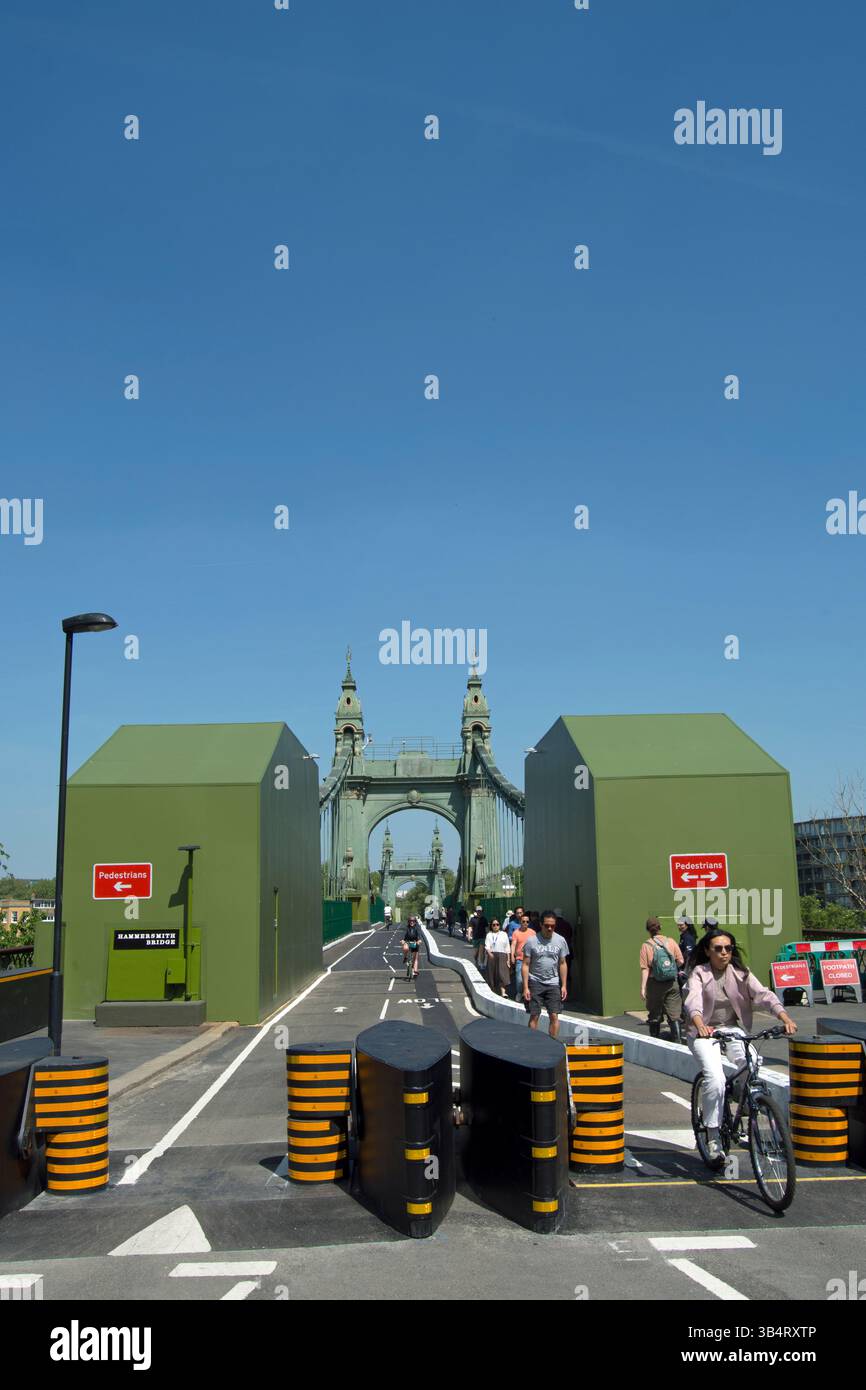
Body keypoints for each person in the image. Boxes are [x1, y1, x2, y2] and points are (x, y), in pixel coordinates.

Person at [685, 928, 797, 1161]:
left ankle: (747, 1105)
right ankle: (713, 1135)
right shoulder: (699, 973)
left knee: (752, 1063)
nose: (724, 953)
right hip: (703, 1032)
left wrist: (784, 1017)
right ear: (707, 951)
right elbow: (692, 999)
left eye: (728, 948)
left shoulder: (740, 973)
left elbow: (763, 995)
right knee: (714, 1078)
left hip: (731, 1029)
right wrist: (700, 1024)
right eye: (718, 948)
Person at [522, 910, 569, 1038]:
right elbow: (525, 964)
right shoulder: (531, 941)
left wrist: (563, 985)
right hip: (535, 981)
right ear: (541, 925)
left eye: (552, 926)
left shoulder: (560, 941)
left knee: (554, 1015)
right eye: (547, 925)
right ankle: (534, 1044)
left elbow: (563, 963)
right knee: (535, 1014)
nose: (549, 928)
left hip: (553, 983)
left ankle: (552, 1043)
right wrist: (525, 987)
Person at [639, 917, 684, 1042]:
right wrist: (670, 969)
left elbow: (645, 969)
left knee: (655, 1014)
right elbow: (681, 961)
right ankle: (678, 1043)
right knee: (674, 1015)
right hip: (671, 982)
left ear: (648, 930)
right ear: (660, 927)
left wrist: (643, 988)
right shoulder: (671, 942)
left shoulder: (646, 945)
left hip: (654, 984)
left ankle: (655, 1043)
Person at [510, 912, 536, 1001]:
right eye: (523, 921)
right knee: (519, 978)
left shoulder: (532, 932)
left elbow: (536, 945)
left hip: (531, 960)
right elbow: (513, 945)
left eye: (527, 922)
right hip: (520, 959)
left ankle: (529, 993)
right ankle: (519, 992)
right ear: (520, 922)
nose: (525, 923)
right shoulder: (516, 933)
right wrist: (512, 956)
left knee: (531, 978)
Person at [485, 918, 511, 996]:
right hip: (492, 955)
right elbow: (487, 946)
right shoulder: (489, 935)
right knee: (492, 974)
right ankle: (493, 990)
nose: (496, 926)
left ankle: (503, 992)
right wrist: (490, 954)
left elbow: (507, 947)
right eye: (494, 925)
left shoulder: (504, 934)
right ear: (491, 926)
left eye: (497, 924)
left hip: (502, 955)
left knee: (502, 974)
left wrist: (508, 959)